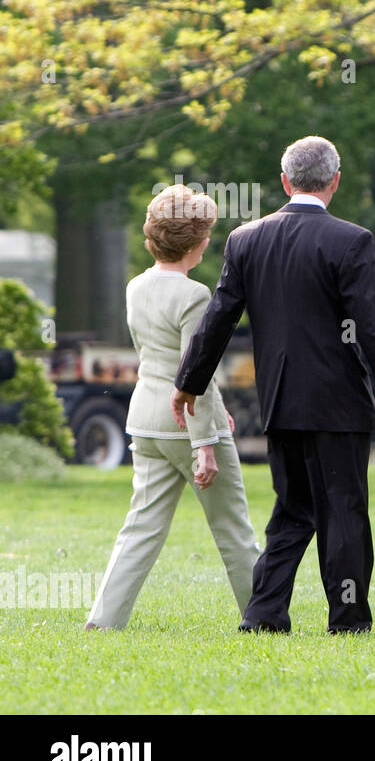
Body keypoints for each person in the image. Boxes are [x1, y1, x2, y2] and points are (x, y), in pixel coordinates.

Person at [172, 136, 375, 634]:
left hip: (282, 400)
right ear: (335, 181)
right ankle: (348, 619)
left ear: (285, 181)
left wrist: (189, 382)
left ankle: (264, 614)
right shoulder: (351, 241)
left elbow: (219, 318)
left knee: (291, 510)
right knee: (344, 510)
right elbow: (372, 327)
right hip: (339, 403)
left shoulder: (245, 239)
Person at [86, 184, 261, 630]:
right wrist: (205, 443)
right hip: (188, 427)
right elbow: (192, 374)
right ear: (199, 243)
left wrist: (215, 411)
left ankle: (103, 622)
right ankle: (263, 618)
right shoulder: (195, 295)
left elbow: (164, 363)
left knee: (141, 528)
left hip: (145, 422)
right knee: (234, 530)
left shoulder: (136, 287)